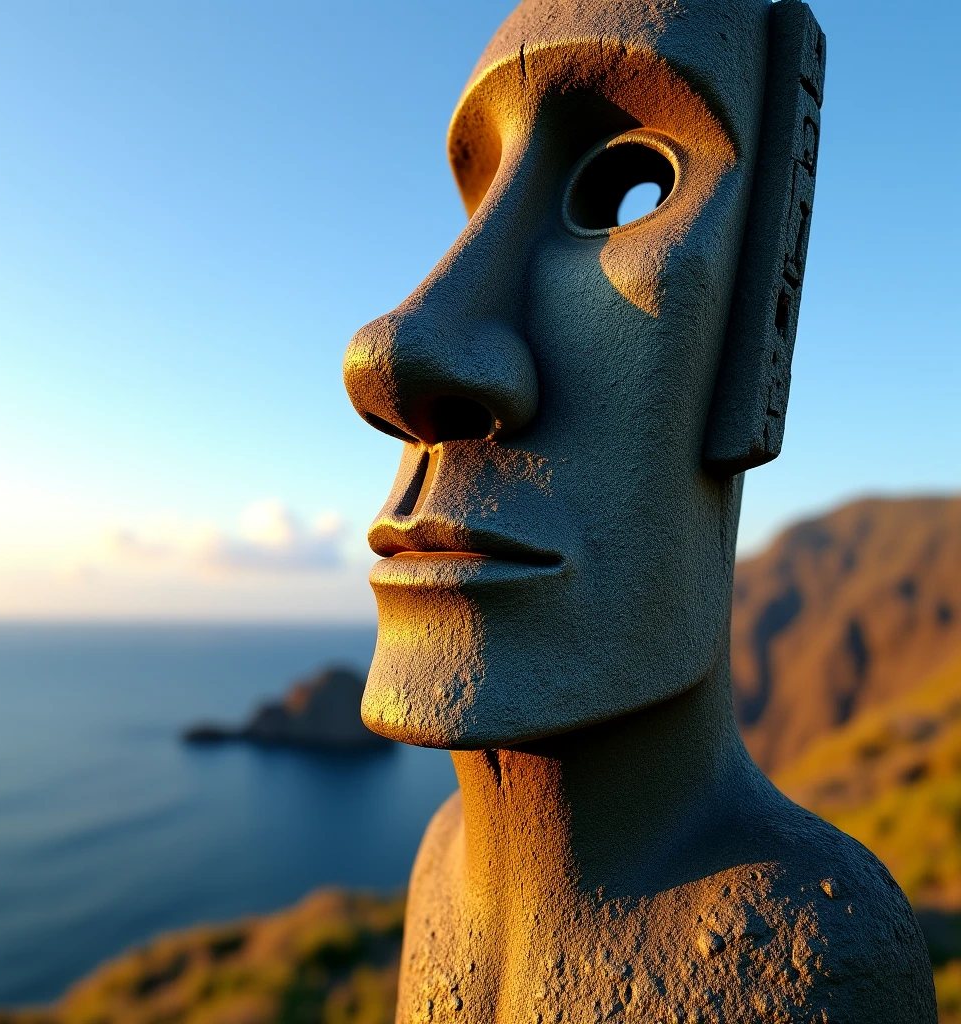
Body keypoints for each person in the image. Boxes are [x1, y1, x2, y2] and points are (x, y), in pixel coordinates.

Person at [342, 0, 937, 1020]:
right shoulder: (439, 869)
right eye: (475, 192)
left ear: (757, 338)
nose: (396, 351)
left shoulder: (807, 948)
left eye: (627, 185)